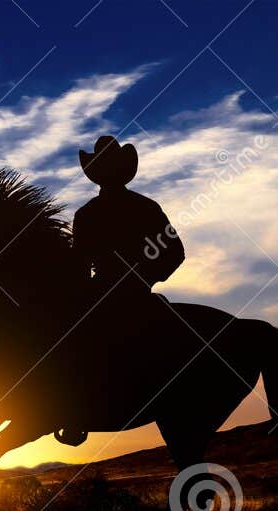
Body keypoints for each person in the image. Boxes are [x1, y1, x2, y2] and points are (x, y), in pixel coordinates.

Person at [52, 136, 186, 447]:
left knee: (75, 341)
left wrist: (143, 276)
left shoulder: (137, 209)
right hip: (106, 292)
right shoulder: (92, 214)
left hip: (131, 293)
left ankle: (75, 413)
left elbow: (174, 252)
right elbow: (80, 264)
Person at [73, 135, 184, 306]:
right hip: (128, 292)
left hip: (106, 295)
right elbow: (175, 253)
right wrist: (145, 277)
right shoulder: (146, 207)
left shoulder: (86, 214)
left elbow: (80, 266)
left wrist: (143, 277)